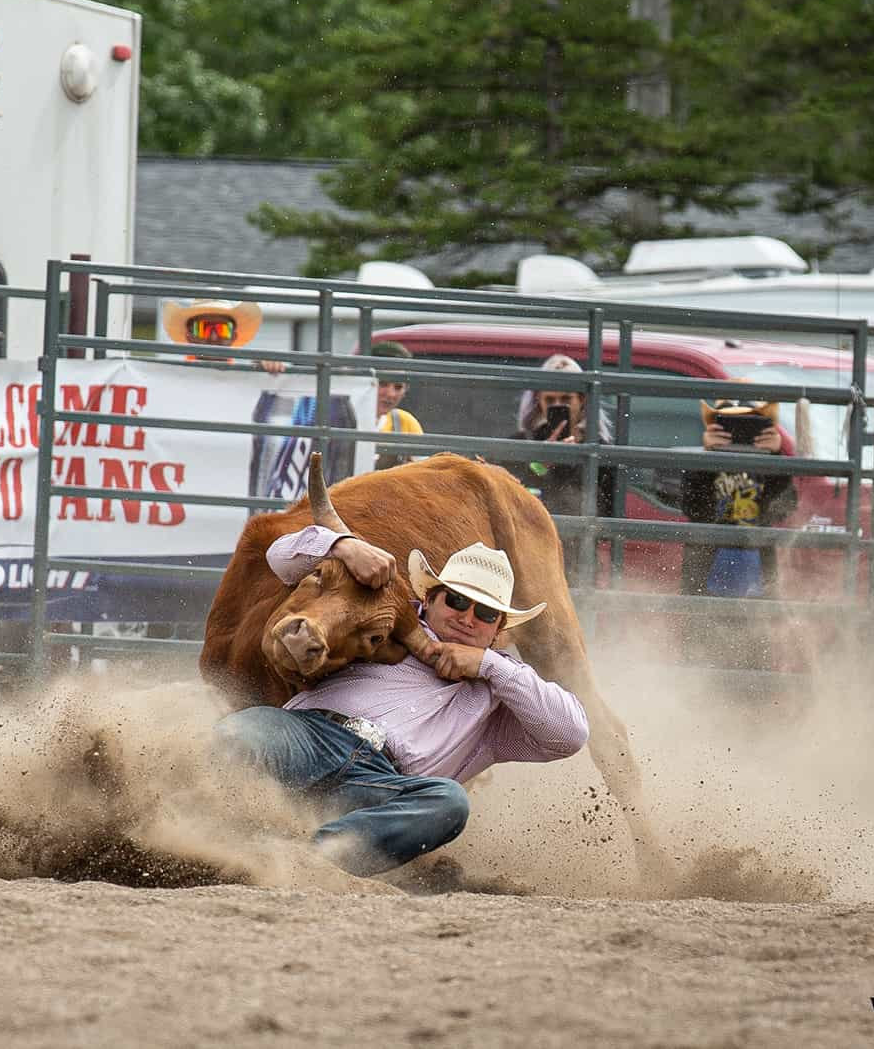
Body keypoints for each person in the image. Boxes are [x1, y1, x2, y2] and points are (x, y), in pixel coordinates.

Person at [214, 531, 590, 877]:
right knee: (242, 732)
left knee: (449, 803)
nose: (467, 617)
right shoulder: (383, 610)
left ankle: (312, 862)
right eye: (457, 600)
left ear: (498, 629)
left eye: (486, 613)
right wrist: (342, 547)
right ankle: (209, 825)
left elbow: (571, 733)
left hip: (381, 782)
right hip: (310, 735)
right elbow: (280, 557)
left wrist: (487, 666)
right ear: (430, 597)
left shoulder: (500, 691)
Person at [679, 393, 796, 598]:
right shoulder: (704, 464)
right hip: (707, 560)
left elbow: (784, 507)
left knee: (757, 624)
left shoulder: (769, 466)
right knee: (700, 621)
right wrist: (707, 457)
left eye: (748, 424)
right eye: (728, 425)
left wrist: (777, 458)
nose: (738, 432)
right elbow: (694, 507)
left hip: (756, 559)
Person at [509, 354, 616, 518]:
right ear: (539, 400)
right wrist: (540, 465)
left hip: (578, 540)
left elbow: (605, 510)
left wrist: (573, 463)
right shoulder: (520, 443)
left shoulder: (599, 450)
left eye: (566, 398)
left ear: (582, 400)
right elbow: (510, 498)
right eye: (550, 399)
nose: (558, 405)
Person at [162, 298, 286, 374]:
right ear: (189, 336)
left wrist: (268, 369)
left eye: (223, 329)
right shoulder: (169, 374)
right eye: (203, 328)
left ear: (234, 336)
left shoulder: (248, 374)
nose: (214, 337)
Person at [369, 341, 423, 470]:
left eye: (398, 387)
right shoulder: (342, 419)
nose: (390, 394)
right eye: (383, 383)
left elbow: (424, 471)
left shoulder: (405, 422)